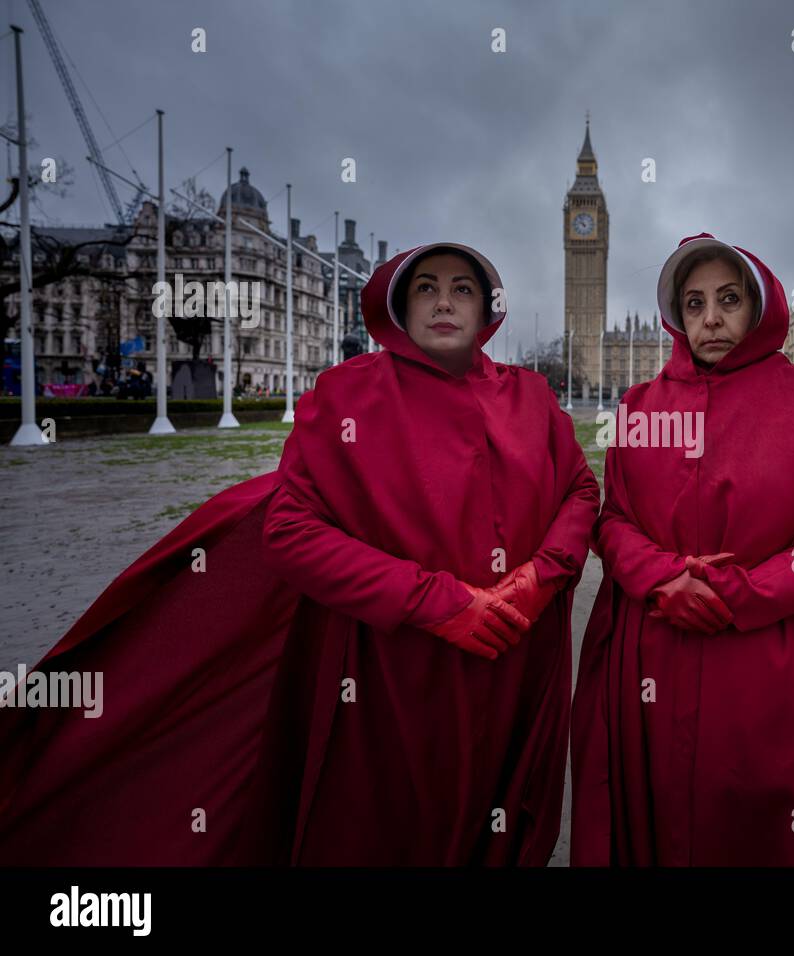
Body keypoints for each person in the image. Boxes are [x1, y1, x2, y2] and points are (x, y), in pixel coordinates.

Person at [0, 241, 599, 866]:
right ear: (397, 303)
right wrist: (436, 601)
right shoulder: (348, 394)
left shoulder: (531, 398)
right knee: (386, 826)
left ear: (486, 310)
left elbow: (580, 491)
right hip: (388, 666)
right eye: (425, 286)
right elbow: (291, 529)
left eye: (462, 288)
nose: (444, 300)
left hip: (514, 657)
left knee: (498, 819)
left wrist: (539, 578)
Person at [571, 234, 794, 866]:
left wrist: (749, 592)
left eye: (728, 299)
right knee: (659, 810)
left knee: (759, 815)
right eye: (694, 304)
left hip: (765, 651)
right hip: (657, 648)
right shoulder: (640, 408)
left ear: (758, 307)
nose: (712, 319)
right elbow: (613, 520)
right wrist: (663, 579)